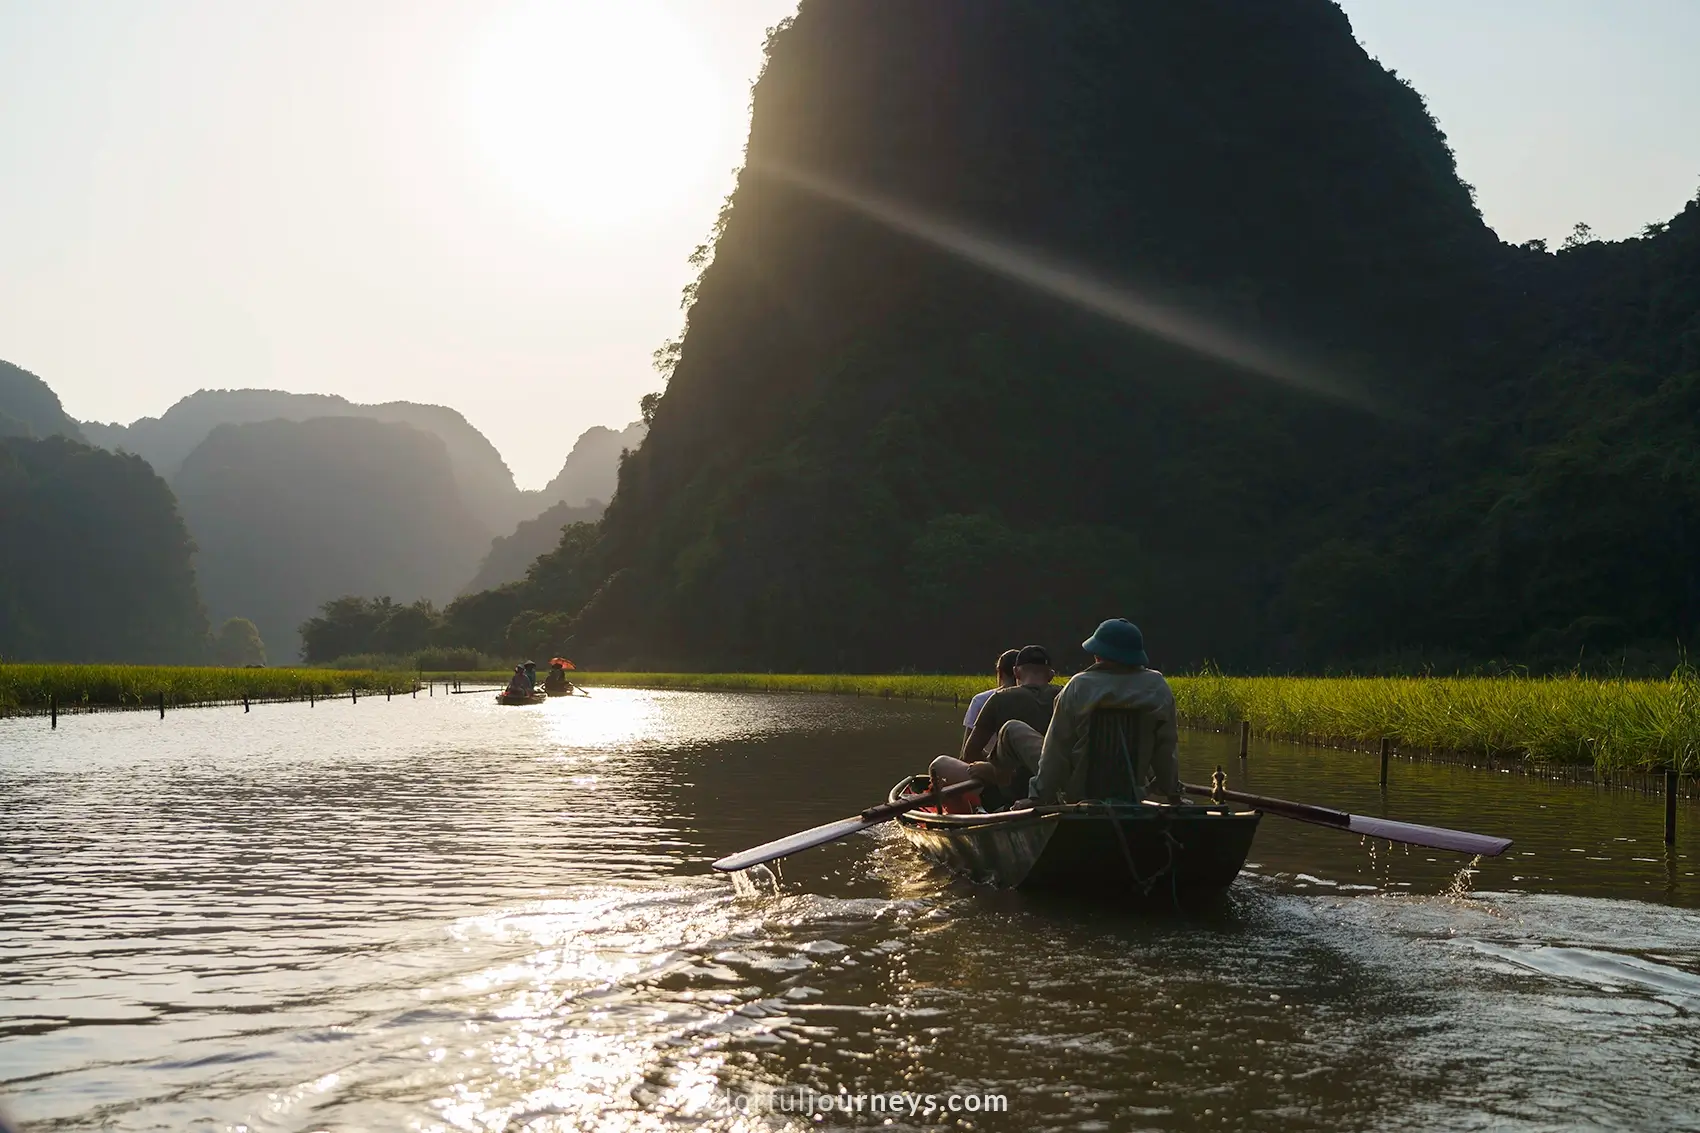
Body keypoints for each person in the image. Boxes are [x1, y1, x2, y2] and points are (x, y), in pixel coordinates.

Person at [1015, 618, 1184, 808]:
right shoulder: (1158, 687)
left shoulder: (1079, 686)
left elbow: (1056, 750)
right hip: (1132, 794)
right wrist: (1172, 793)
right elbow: (1166, 750)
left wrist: (1038, 797)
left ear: (1098, 655)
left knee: (1013, 729)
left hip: (1079, 794)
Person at [929, 645, 1059, 810]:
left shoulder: (999, 699)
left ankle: (965, 824)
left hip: (1010, 791)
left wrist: (990, 767)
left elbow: (968, 753)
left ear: (1016, 673)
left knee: (939, 764)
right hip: (1059, 788)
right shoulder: (1066, 697)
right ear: (1051, 675)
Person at [962, 649, 1020, 738]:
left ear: (1000, 672)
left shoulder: (980, 700)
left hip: (987, 751)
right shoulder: (1034, 699)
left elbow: (966, 749)